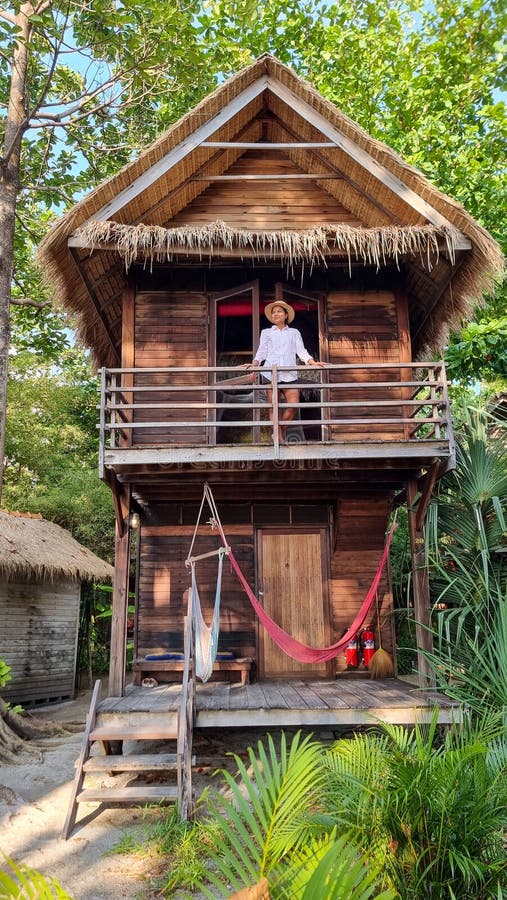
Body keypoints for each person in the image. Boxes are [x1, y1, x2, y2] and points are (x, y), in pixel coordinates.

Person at [242, 300, 324, 442]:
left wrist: (312, 362)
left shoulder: (294, 333)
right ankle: (278, 439)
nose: (276, 314)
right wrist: (254, 364)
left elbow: (301, 351)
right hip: (270, 373)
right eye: (273, 312)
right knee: (273, 407)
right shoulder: (266, 332)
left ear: (286, 315)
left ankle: (278, 431)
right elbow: (261, 352)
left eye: (279, 311)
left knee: (293, 405)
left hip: (289, 373)